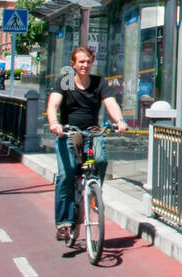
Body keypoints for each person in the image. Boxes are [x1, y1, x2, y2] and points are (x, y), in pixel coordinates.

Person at [46, 46, 127, 243]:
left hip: (92, 131)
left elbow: (111, 103)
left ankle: (95, 192)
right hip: (69, 132)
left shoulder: (99, 83)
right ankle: (64, 223)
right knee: (67, 174)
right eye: (81, 62)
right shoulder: (64, 82)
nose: (85, 65)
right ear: (73, 64)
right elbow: (52, 105)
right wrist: (54, 123)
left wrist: (119, 120)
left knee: (101, 159)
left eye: (88, 62)